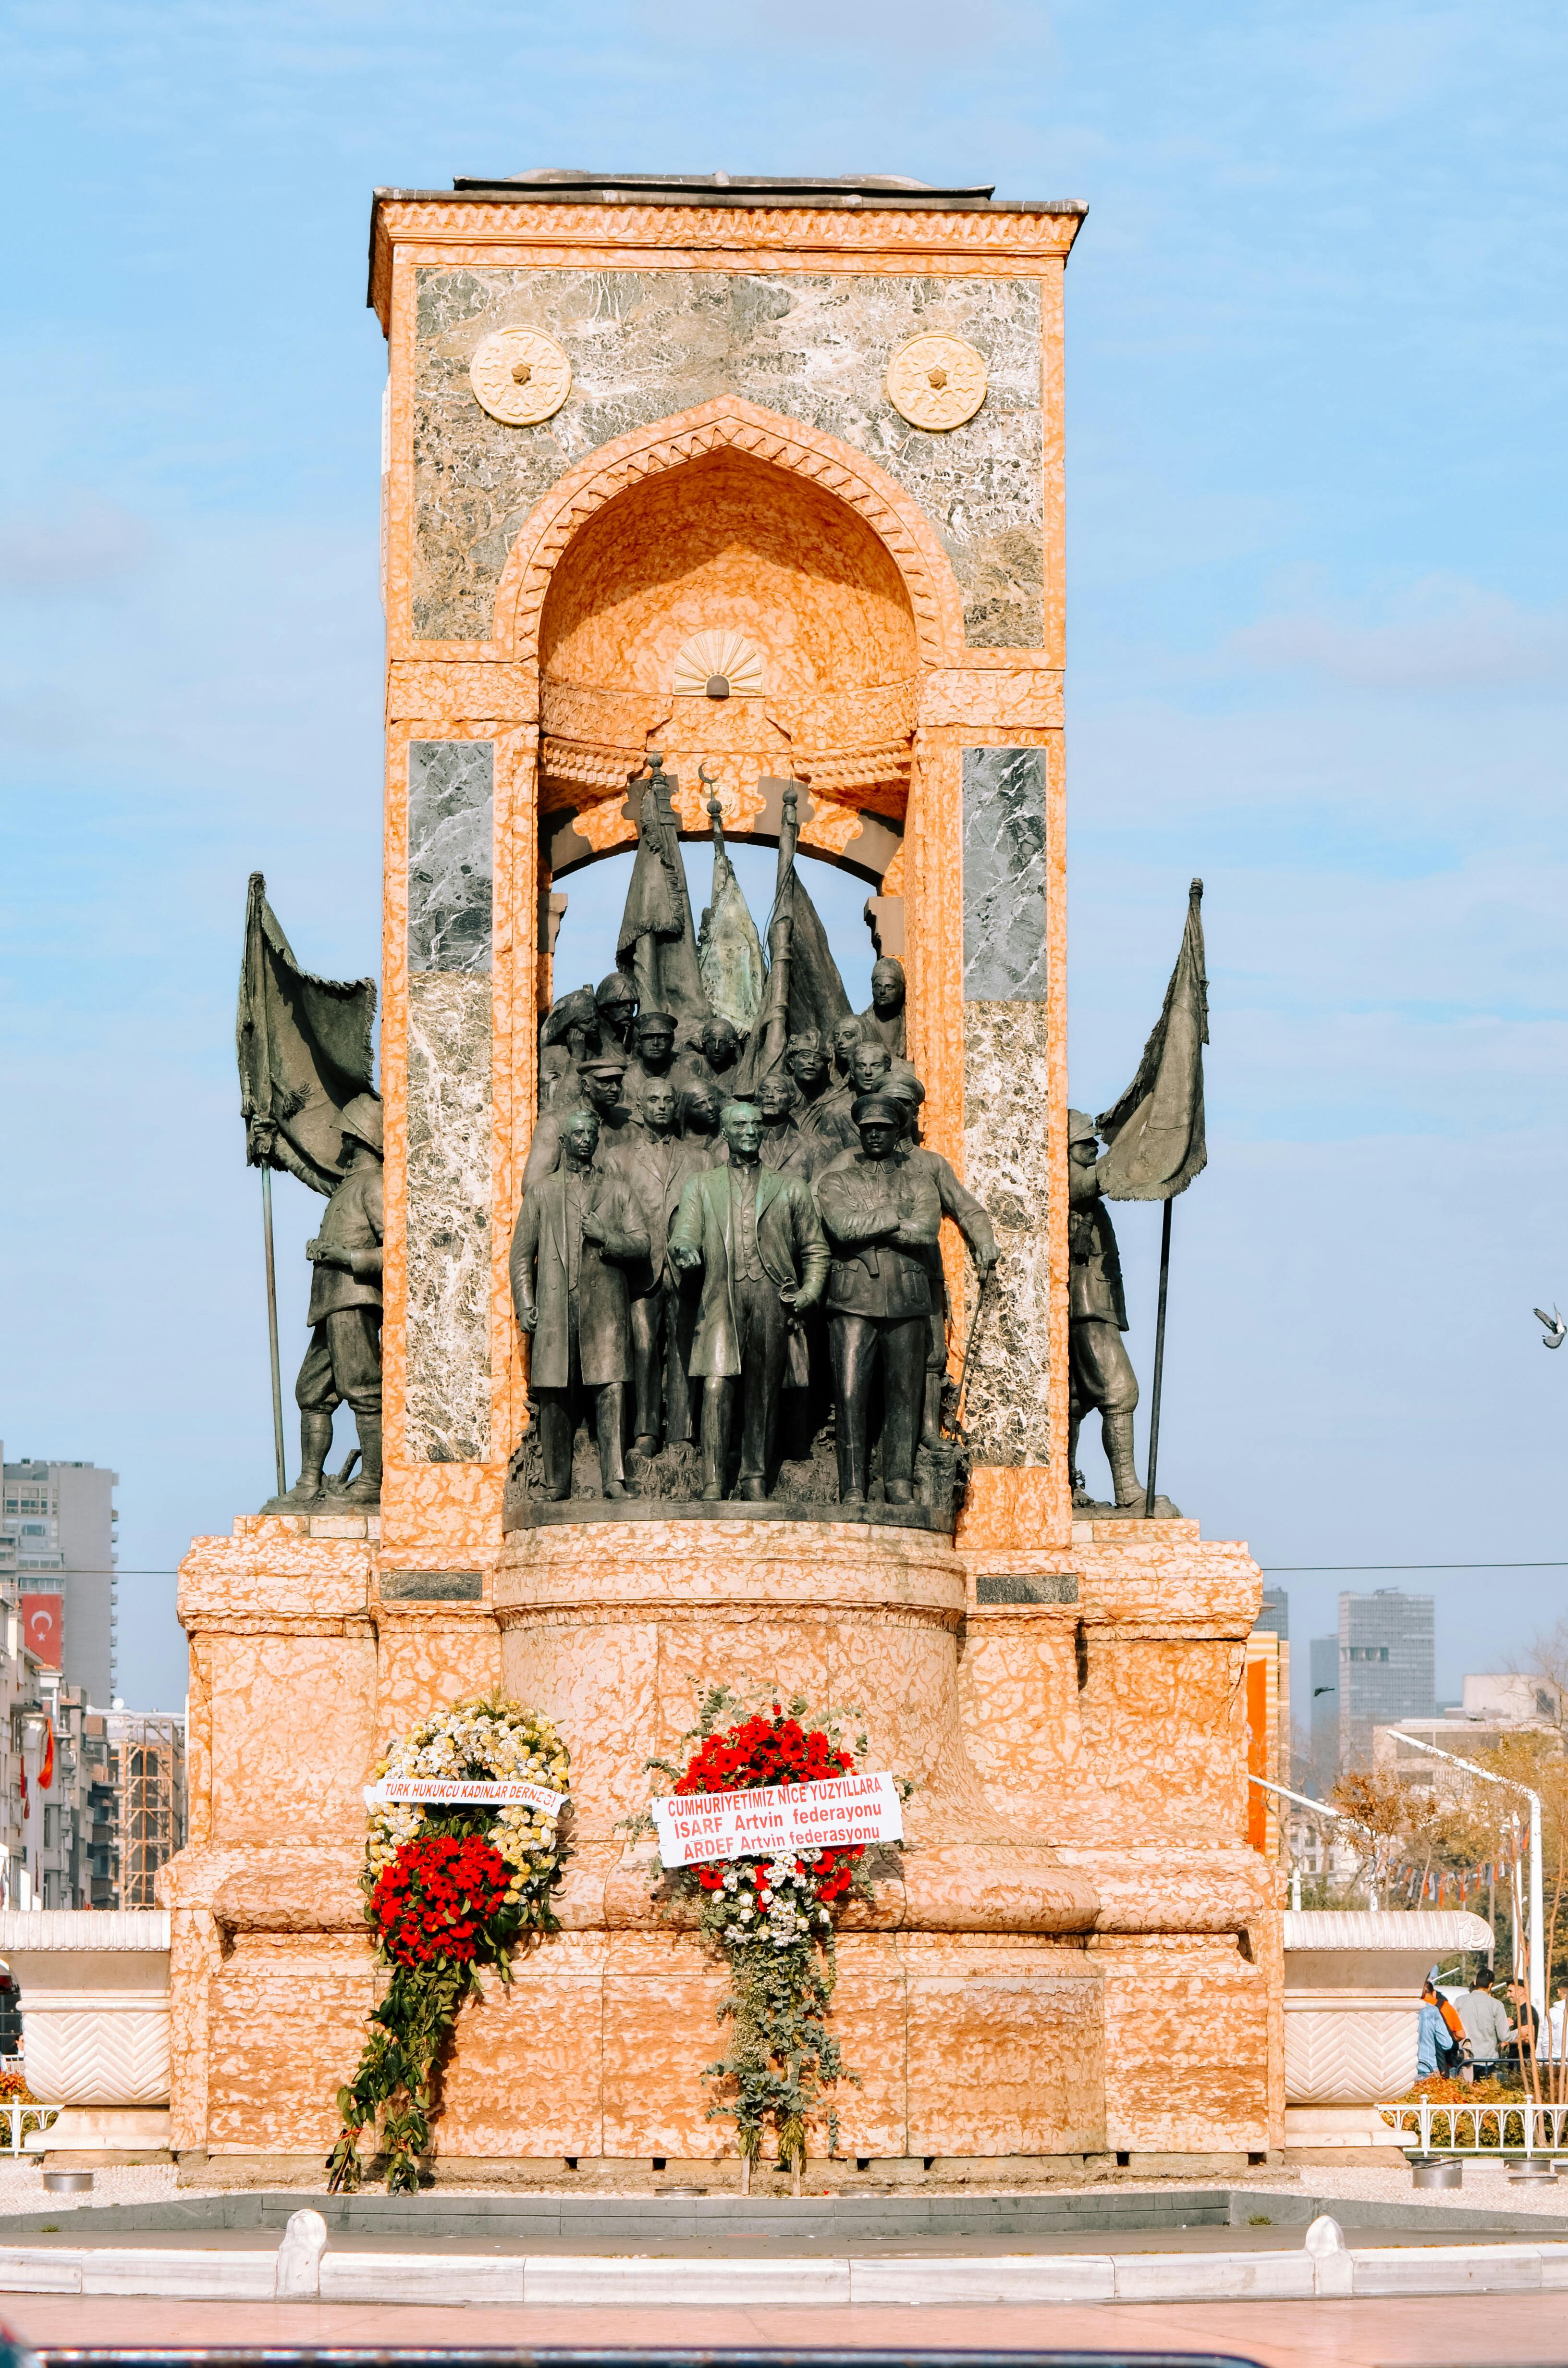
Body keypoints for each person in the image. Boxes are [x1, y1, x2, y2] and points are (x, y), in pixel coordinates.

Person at [668, 1100, 828, 1501]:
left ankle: (755, 1476)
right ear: (725, 1133)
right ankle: (713, 1480)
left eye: (756, 1124)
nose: (750, 1132)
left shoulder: (790, 1187)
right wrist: (686, 1250)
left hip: (772, 1296)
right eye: (740, 1125)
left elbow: (815, 1248)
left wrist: (809, 1293)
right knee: (717, 1385)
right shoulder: (702, 1185)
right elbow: (684, 1233)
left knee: (764, 1387)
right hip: (721, 1296)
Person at [509, 1106, 648, 1501]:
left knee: (612, 1390)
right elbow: (522, 1255)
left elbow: (642, 1244)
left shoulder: (618, 1190)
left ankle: (614, 1478)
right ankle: (557, 1483)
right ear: (564, 1142)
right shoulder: (542, 1192)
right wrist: (525, 1304)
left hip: (604, 1306)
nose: (586, 1139)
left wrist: (608, 1237)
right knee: (555, 1393)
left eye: (591, 1133)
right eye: (578, 1134)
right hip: (555, 1306)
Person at [815, 1093, 943, 1505]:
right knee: (850, 1394)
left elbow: (926, 1231)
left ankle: (898, 1481)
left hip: (906, 1298)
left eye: (883, 1128)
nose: (874, 1134)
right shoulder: (838, 1181)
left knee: (904, 1393)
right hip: (852, 1299)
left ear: (897, 1131)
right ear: (859, 1130)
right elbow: (840, 1227)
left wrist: (869, 1225)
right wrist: (891, 1218)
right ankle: (852, 1485)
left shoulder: (919, 1180)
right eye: (868, 1128)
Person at [883, 1073, 999, 1446]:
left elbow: (968, 1209)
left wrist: (985, 1242)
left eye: (907, 1106)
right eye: (893, 1103)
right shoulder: (856, 1160)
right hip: (873, 1275)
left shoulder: (931, 1163)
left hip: (922, 1272)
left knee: (932, 1354)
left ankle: (929, 1432)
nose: (900, 1112)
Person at [283, 1094, 385, 1506]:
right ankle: (309, 1480)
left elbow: (404, 1249)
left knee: (362, 1390)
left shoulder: (375, 1184)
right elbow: (311, 1172)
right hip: (328, 1303)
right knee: (311, 1392)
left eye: (345, 1137)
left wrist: (346, 1257)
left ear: (358, 1140)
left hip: (353, 1300)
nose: (340, 1146)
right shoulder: (348, 1186)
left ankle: (373, 1481)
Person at [611, 1080, 708, 1455]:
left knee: (686, 1348)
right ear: (640, 1106)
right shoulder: (618, 1158)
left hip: (686, 1271)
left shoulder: (701, 1159)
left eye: (669, 1100)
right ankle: (646, 1432)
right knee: (644, 1349)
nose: (662, 1106)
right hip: (641, 1269)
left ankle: (683, 1434)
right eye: (654, 1100)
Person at [1066, 1108, 1144, 1508]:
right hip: (1086, 1306)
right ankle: (1128, 1492)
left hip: (1094, 1304)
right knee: (1119, 1391)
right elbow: (1084, 1185)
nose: (1093, 1149)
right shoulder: (1067, 1183)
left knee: (1076, 1400)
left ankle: (1065, 1484)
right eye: (1083, 1144)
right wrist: (1136, 1142)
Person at [524, 1051, 637, 1188]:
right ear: (586, 1085)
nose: (615, 1089)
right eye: (605, 1083)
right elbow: (532, 1186)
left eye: (618, 1083)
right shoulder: (554, 1123)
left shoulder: (628, 1128)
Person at [1455, 1970, 1511, 2082]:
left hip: (1464, 2057)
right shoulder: (1497, 2005)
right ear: (1491, 1985)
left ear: (1475, 1982)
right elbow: (1504, 2035)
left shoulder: (1460, 2001)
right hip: (1487, 2059)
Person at [624, 1010, 679, 1122]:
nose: (655, 1043)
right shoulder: (626, 1079)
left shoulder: (685, 1075)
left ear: (672, 1042)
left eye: (662, 1037)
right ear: (640, 1043)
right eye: (648, 1037)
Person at [858, 956, 907, 1058]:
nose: (882, 992)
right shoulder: (863, 1023)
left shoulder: (910, 1025)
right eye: (878, 986)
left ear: (900, 990)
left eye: (889, 987)